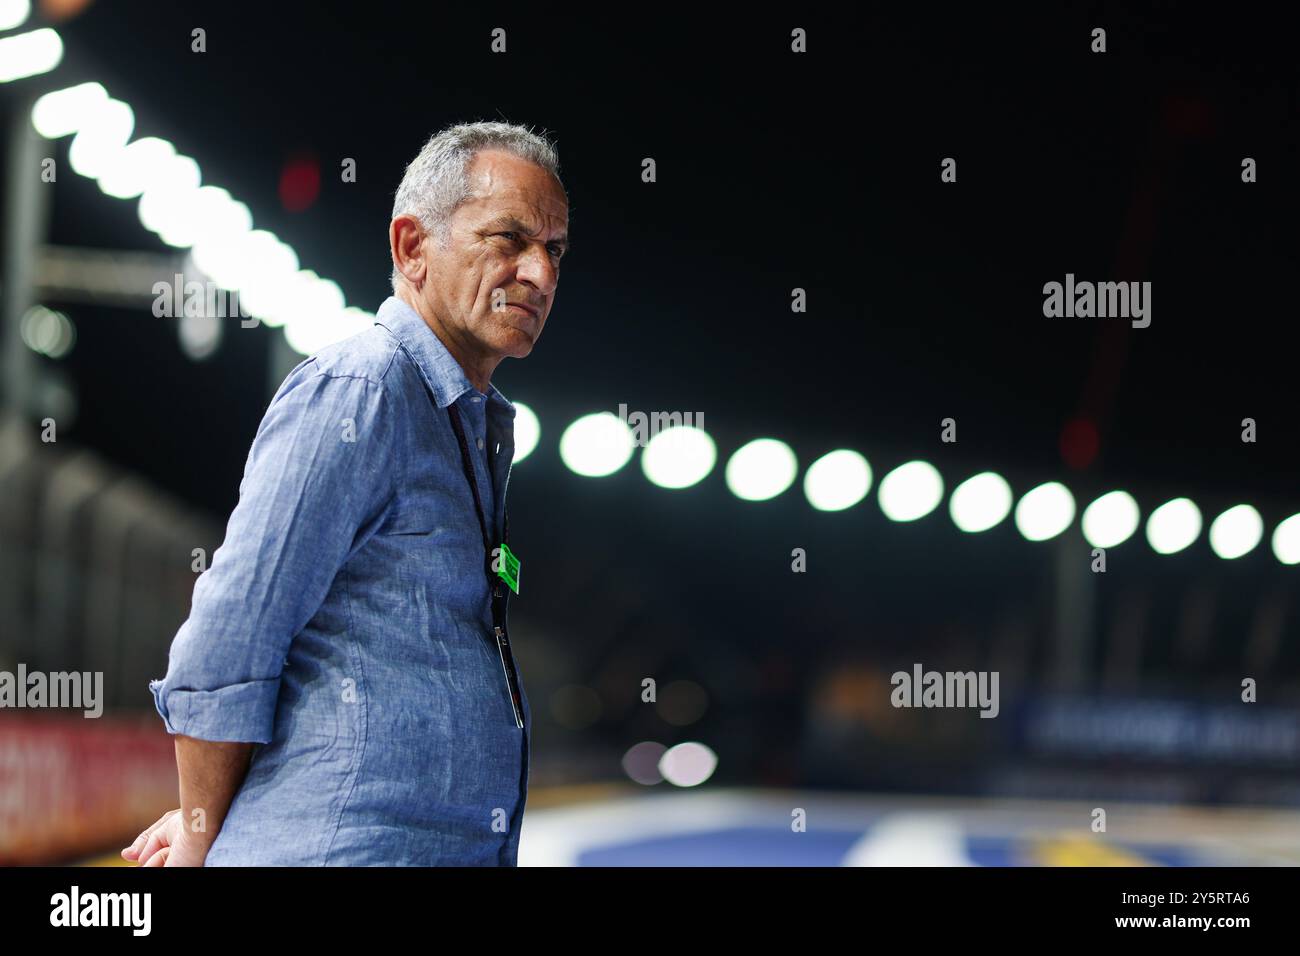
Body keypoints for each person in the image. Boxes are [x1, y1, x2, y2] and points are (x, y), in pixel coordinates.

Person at [123, 121, 569, 865]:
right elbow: (228, 638)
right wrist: (204, 831)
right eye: (508, 239)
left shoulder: (468, 422)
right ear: (412, 247)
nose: (541, 274)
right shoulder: (363, 390)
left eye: (553, 250)